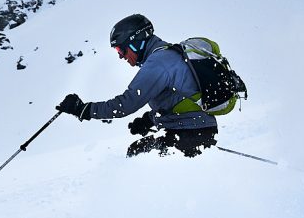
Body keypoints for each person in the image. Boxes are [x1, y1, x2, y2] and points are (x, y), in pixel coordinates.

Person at [56, 14, 218, 157]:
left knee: (137, 156)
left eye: (121, 49)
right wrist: (150, 120)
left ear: (136, 42)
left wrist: (84, 109)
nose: (120, 56)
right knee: (138, 152)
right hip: (193, 130)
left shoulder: (158, 63)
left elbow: (125, 104)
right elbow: (177, 98)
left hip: (192, 133)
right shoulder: (164, 56)